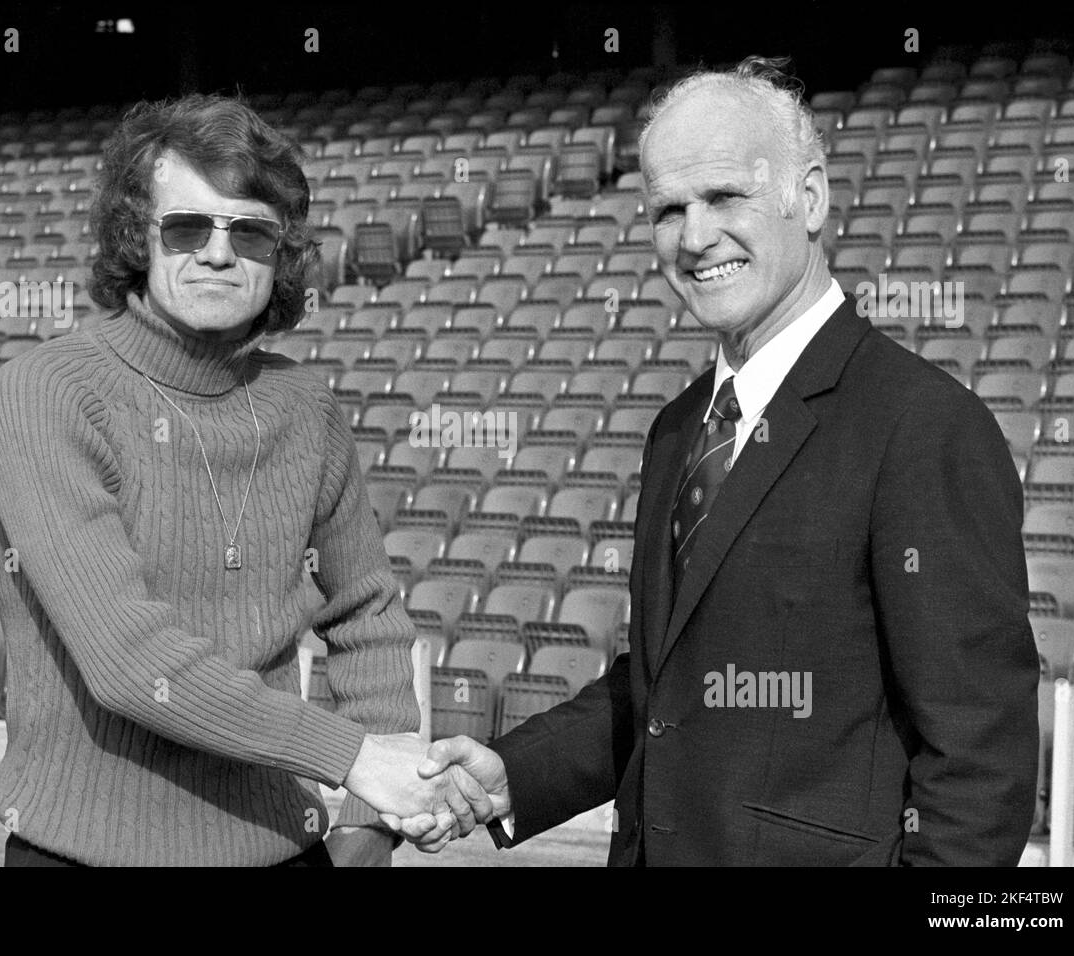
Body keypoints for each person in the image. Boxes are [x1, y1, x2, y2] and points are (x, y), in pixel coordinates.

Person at [399, 57, 1040, 865]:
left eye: (724, 196)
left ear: (808, 197)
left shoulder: (925, 427)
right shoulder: (678, 429)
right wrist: (513, 775)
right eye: (669, 209)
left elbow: (980, 769)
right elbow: (671, 686)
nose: (695, 237)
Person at [0, 93, 462, 866]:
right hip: (83, 858)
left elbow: (367, 615)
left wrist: (370, 827)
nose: (218, 253)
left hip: (285, 851)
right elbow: (129, 665)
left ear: (282, 254)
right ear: (140, 238)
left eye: (251, 232)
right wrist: (358, 758)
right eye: (188, 227)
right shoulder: (45, 393)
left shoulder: (307, 406)